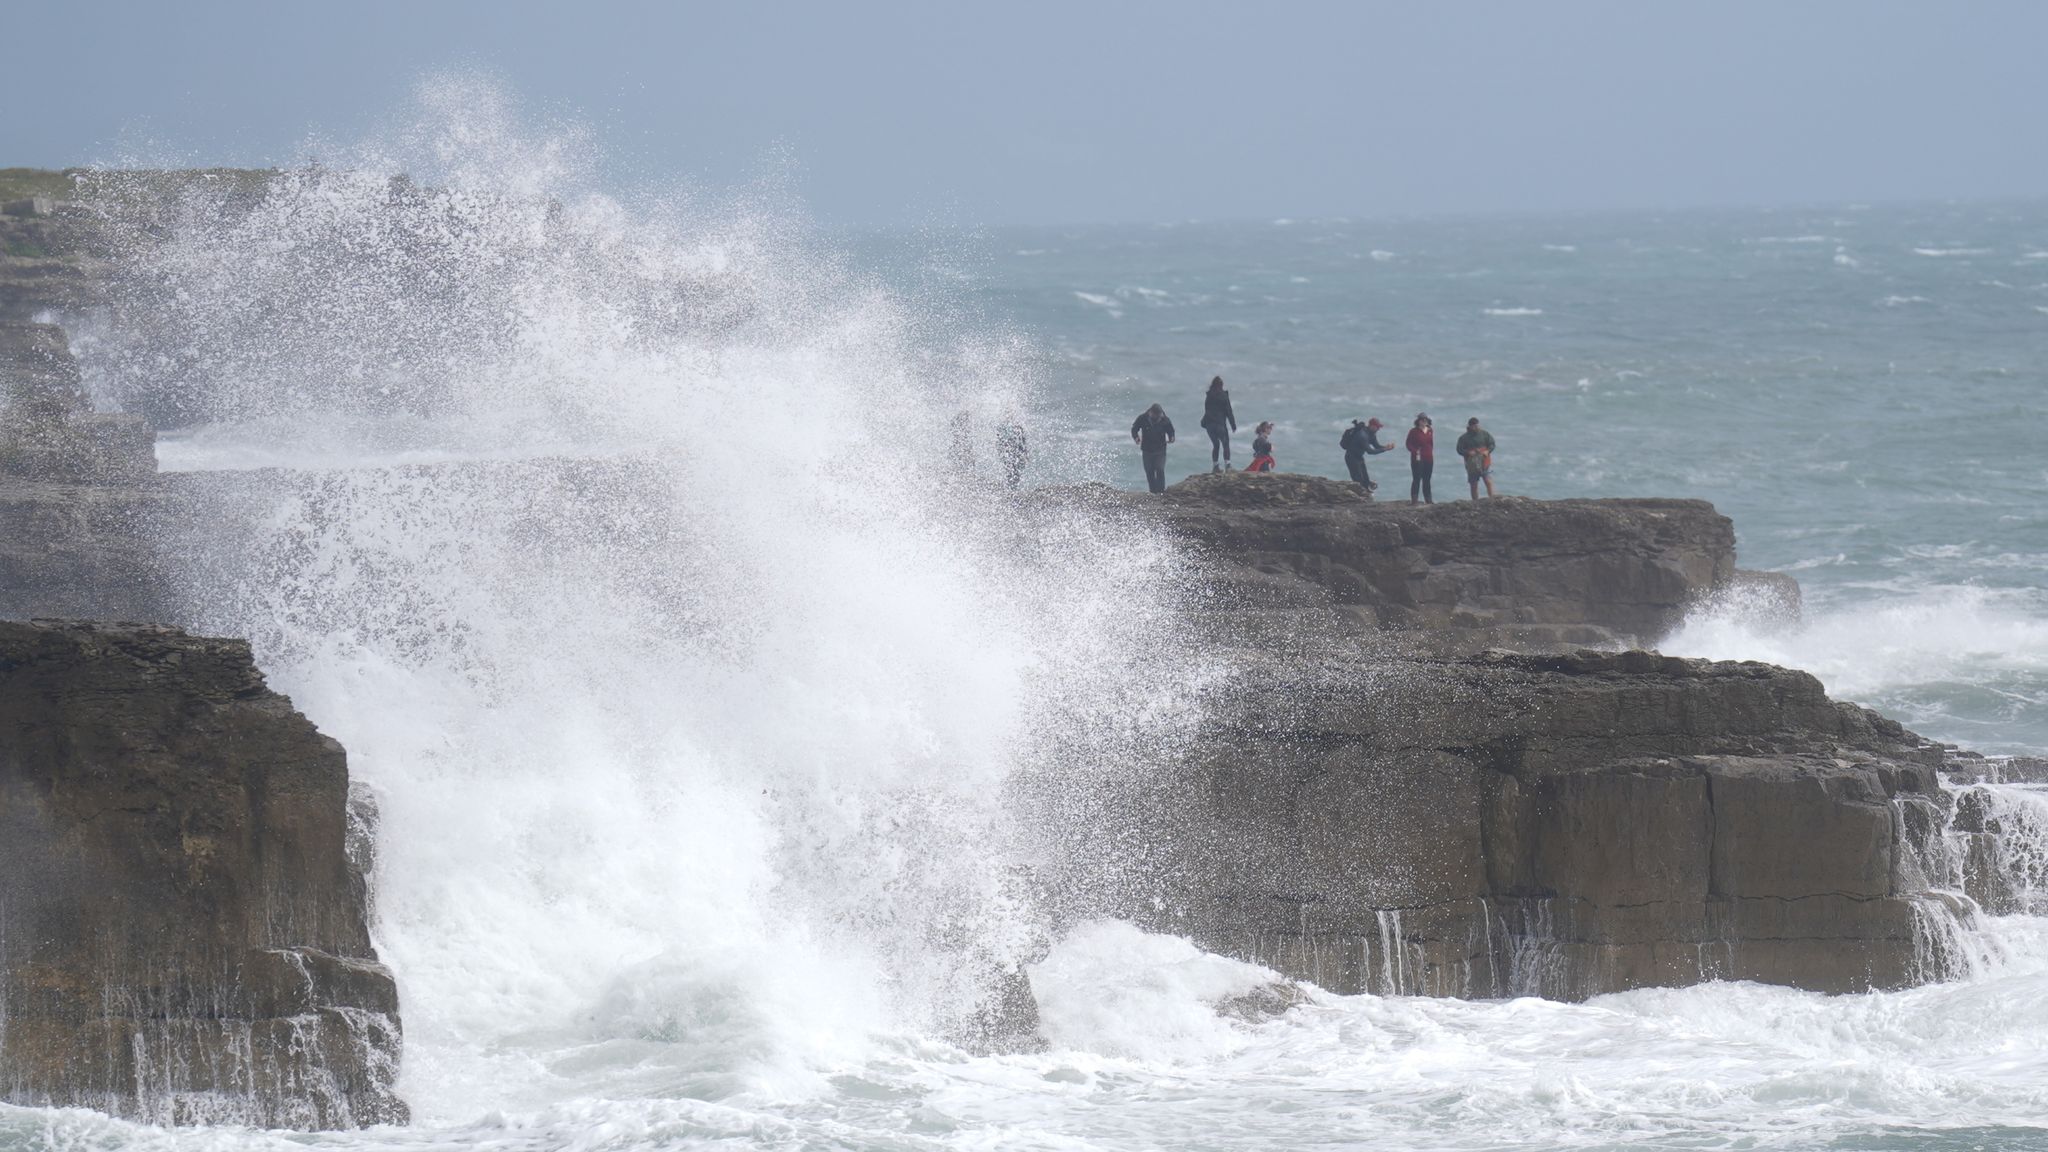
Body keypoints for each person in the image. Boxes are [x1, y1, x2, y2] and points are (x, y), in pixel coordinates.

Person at [1339, 417, 1393, 494]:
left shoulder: (1372, 434)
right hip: (1351, 457)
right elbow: (1370, 451)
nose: (1378, 429)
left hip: (1359, 457)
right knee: (1358, 480)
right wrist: (1384, 450)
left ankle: (1366, 493)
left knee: (1365, 480)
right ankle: (1358, 498)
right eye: (1377, 427)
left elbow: (1377, 446)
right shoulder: (1362, 435)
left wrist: (1386, 447)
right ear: (1371, 426)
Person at [1130, 403, 1176, 493]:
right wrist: (1136, 437)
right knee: (1149, 471)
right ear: (1150, 412)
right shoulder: (1142, 418)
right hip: (1147, 450)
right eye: (1156, 415)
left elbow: (1171, 430)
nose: (1158, 417)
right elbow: (1134, 428)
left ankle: (1161, 491)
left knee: (1159, 469)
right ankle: (1153, 491)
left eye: (1159, 415)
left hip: (1160, 450)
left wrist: (1172, 438)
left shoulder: (1165, 420)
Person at [1199, 376, 1237, 471]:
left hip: (1209, 425)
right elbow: (1229, 411)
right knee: (1225, 444)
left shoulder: (1209, 396)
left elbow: (1207, 410)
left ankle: (1215, 466)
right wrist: (1233, 425)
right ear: (1221, 385)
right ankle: (1227, 465)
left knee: (1216, 445)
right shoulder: (1223, 396)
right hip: (1219, 424)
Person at [1457, 416, 1497, 499]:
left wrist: (1487, 451)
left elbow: (1492, 444)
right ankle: (1475, 502)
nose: (1477, 427)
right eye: (1475, 426)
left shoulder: (1485, 434)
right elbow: (1459, 449)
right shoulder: (1464, 438)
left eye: (1478, 425)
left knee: (1487, 480)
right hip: (1472, 464)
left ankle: (1492, 498)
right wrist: (1468, 452)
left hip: (1484, 462)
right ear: (1470, 426)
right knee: (1473, 484)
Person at [1405, 413, 1435, 504]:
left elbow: (1431, 443)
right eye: (1422, 420)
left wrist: (1430, 452)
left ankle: (1428, 499)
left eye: (1425, 420)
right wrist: (1414, 451)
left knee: (1427, 479)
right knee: (1417, 479)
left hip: (1429, 458)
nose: (1424, 422)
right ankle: (1414, 500)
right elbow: (1408, 444)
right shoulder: (1413, 431)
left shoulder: (1430, 430)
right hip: (1417, 458)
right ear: (1418, 421)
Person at [995, 419, 1028, 489]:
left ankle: (1012, 489)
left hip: (1013, 451)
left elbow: (1023, 442)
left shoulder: (1017, 427)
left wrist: (1025, 453)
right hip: (1010, 450)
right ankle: (1012, 489)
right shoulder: (1005, 426)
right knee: (1012, 470)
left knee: (1013, 471)